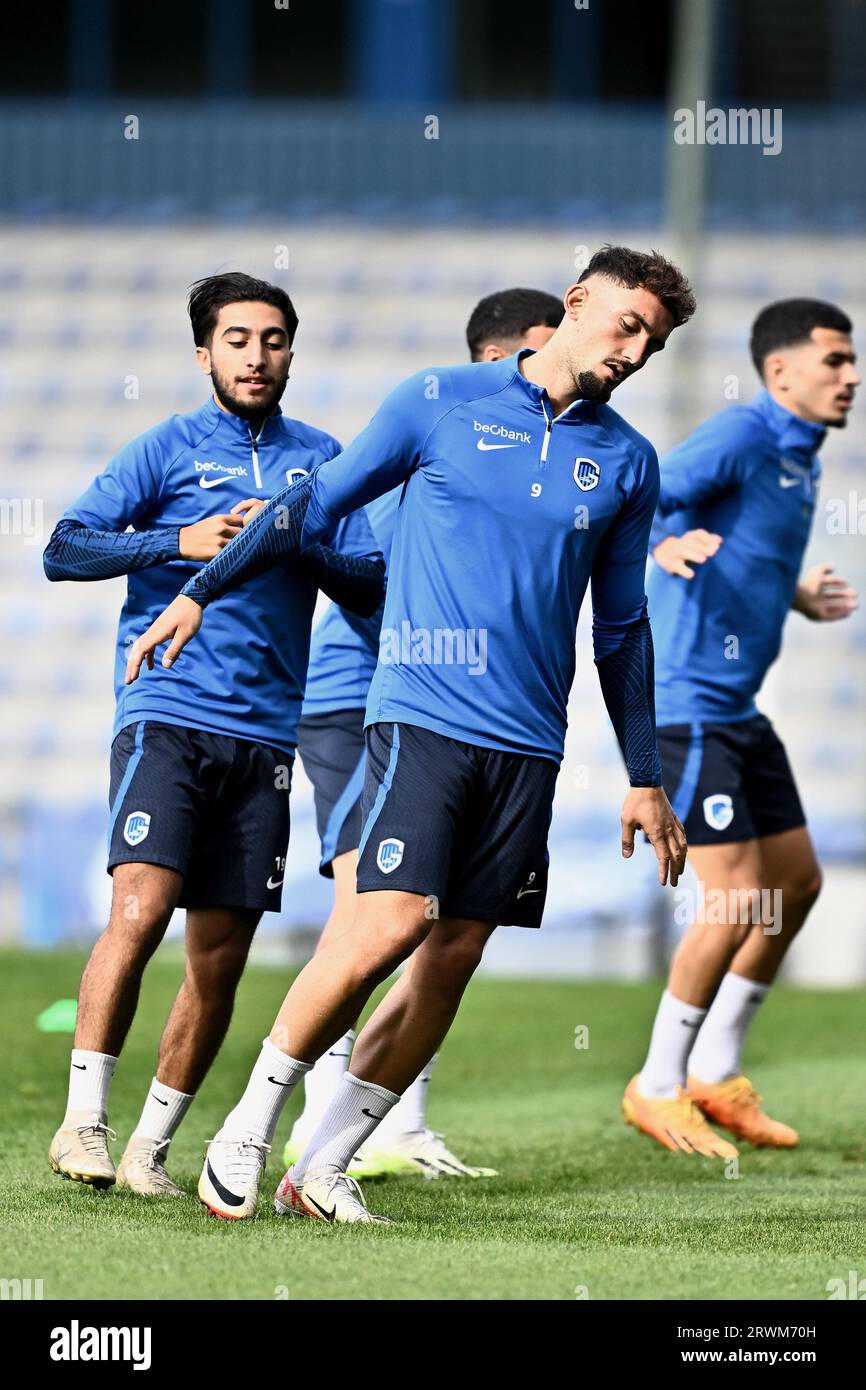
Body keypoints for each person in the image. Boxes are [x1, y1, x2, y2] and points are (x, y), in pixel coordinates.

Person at [125, 245, 694, 1224]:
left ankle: (326, 1167)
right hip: (420, 716)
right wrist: (197, 590)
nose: (635, 351)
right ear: (573, 305)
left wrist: (644, 774)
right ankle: (250, 1130)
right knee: (386, 922)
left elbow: (620, 630)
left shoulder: (630, 462)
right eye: (625, 325)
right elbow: (308, 506)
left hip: (530, 745)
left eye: (652, 339)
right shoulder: (437, 400)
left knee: (454, 954)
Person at [44, 272, 384, 1195]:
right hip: (169, 711)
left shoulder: (325, 460)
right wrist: (179, 542)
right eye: (237, 340)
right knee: (142, 909)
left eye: (273, 339)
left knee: (221, 953)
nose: (256, 356)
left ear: (290, 351)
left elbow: (371, 586)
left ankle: (153, 1147)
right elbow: (64, 549)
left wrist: (295, 539)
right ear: (204, 354)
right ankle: (83, 1124)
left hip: (269, 732)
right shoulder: (164, 450)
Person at [289, 287, 565, 1181]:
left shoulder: (532, 462)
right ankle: (306, 1129)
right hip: (356, 701)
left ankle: (386, 1124)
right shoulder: (439, 456)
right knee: (371, 918)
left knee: (437, 928)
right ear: (505, 357)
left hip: (444, 716)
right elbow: (349, 563)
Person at [622, 298, 859, 1157]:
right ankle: (656, 1085)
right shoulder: (743, 436)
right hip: (686, 703)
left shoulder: (800, 459)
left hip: (738, 711)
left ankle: (716, 1073)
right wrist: (657, 547)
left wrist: (793, 594)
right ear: (781, 370)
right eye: (835, 360)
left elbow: (745, 547)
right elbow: (642, 492)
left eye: (852, 359)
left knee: (792, 885)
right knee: (730, 897)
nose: (852, 375)